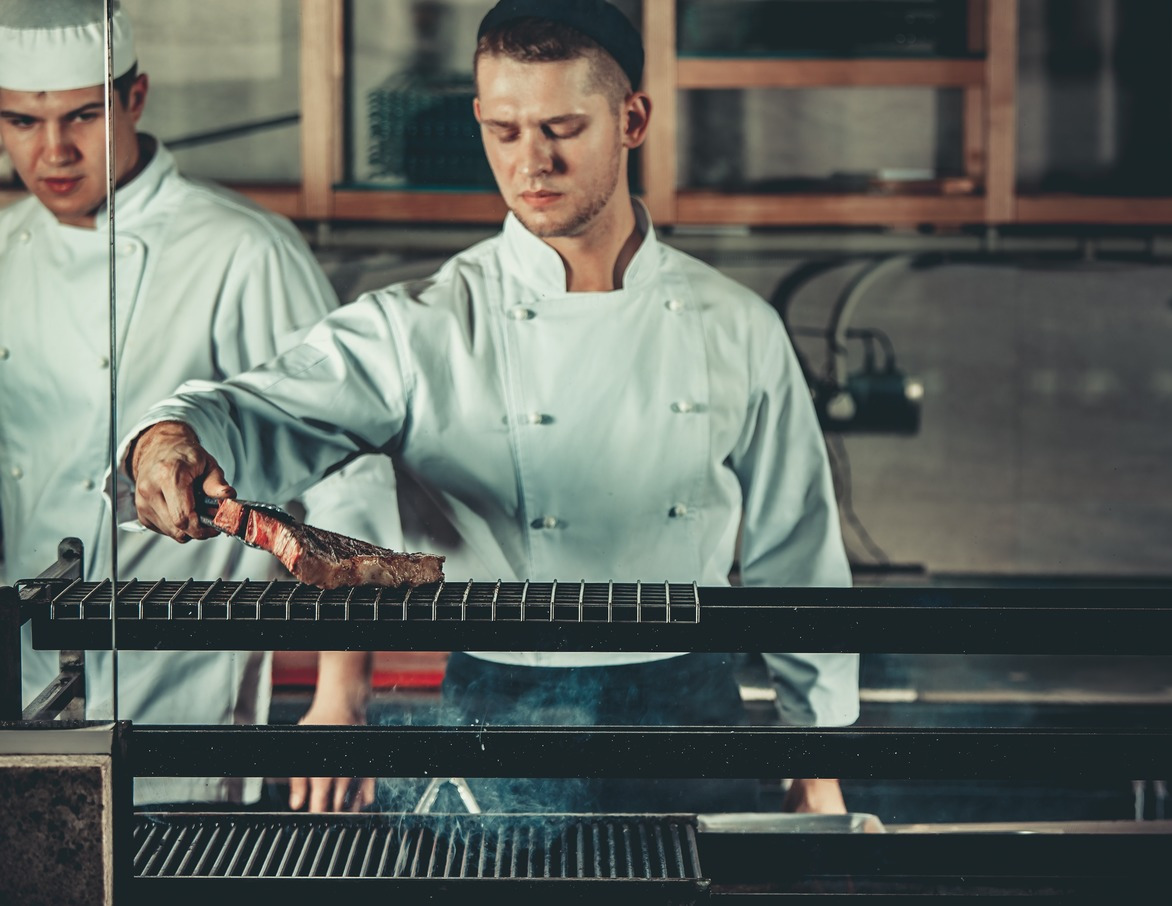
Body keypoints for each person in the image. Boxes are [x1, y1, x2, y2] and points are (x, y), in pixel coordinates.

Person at [124, 0, 859, 813]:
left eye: (562, 129)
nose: (531, 163)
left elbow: (799, 555)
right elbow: (266, 407)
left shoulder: (739, 326)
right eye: (505, 132)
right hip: (500, 709)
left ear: (632, 119)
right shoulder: (424, 326)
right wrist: (172, 436)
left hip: (688, 708)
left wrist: (816, 760)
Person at [0, 0, 401, 812]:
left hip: (180, 688)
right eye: (18, 120)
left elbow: (344, 477)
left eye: (82, 114)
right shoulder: (6, 253)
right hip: (25, 691)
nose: (53, 151)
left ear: (135, 97)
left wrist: (342, 692)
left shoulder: (242, 250)